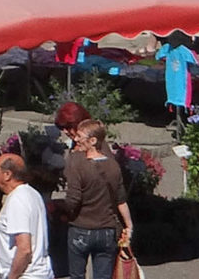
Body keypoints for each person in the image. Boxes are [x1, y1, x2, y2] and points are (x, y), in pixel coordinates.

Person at [60, 119, 132, 279]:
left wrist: (63, 211)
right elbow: (121, 201)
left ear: (93, 141)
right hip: (107, 230)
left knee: (77, 275)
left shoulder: (77, 164)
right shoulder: (114, 166)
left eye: (80, 136)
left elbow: (73, 199)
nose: (76, 139)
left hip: (80, 228)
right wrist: (129, 225)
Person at [0, 154, 55, 279]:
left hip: (26, 275)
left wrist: (12, 277)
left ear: (7, 175)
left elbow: (24, 248)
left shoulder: (17, 200)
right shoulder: (32, 193)